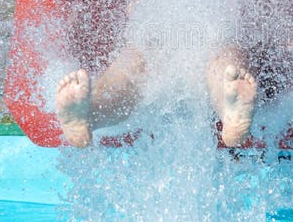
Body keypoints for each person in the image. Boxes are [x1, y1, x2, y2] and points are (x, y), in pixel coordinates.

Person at [55, 45, 259, 149]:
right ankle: (229, 112)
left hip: (152, 41)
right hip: (214, 37)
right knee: (226, 62)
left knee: (129, 68)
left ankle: (92, 112)